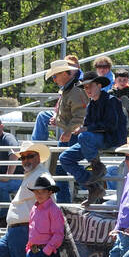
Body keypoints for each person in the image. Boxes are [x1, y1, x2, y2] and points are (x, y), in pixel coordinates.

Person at [58, 73, 126, 205]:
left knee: (84, 136)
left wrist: (85, 129)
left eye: (90, 86)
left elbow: (111, 125)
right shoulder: (91, 105)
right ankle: (94, 187)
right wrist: (81, 129)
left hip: (110, 139)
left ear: (99, 86)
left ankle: (97, 167)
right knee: (64, 158)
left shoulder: (111, 100)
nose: (87, 89)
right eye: (85, 87)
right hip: (94, 140)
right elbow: (88, 126)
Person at [33, 55, 85, 203]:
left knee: (65, 164)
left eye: (55, 76)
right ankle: (65, 203)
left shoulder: (75, 89)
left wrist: (68, 130)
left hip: (76, 135)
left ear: (64, 73)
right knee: (61, 168)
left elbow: (80, 115)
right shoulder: (69, 89)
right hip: (70, 133)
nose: (54, 79)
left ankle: (92, 187)